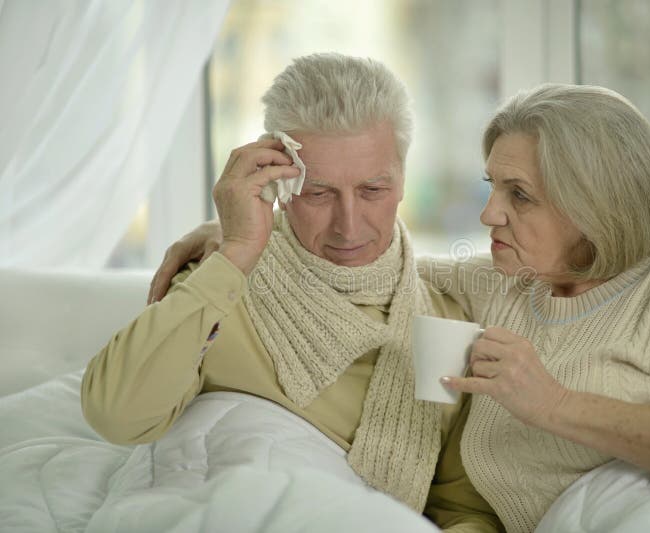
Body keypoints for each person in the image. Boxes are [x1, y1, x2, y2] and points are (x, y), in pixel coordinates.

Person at [157, 83, 650, 532]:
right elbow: (362, 263)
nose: (489, 214)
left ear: (595, 200)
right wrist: (236, 240)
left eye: (520, 195)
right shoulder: (508, 283)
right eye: (493, 187)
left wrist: (554, 405)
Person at [81, 53, 501, 532]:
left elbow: (465, 512)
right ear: (279, 182)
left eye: (372, 190)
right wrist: (236, 249)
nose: (348, 226)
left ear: (403, 179)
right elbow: (116, 415)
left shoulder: (448, 322)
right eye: (318, 194)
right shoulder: (222, 284)